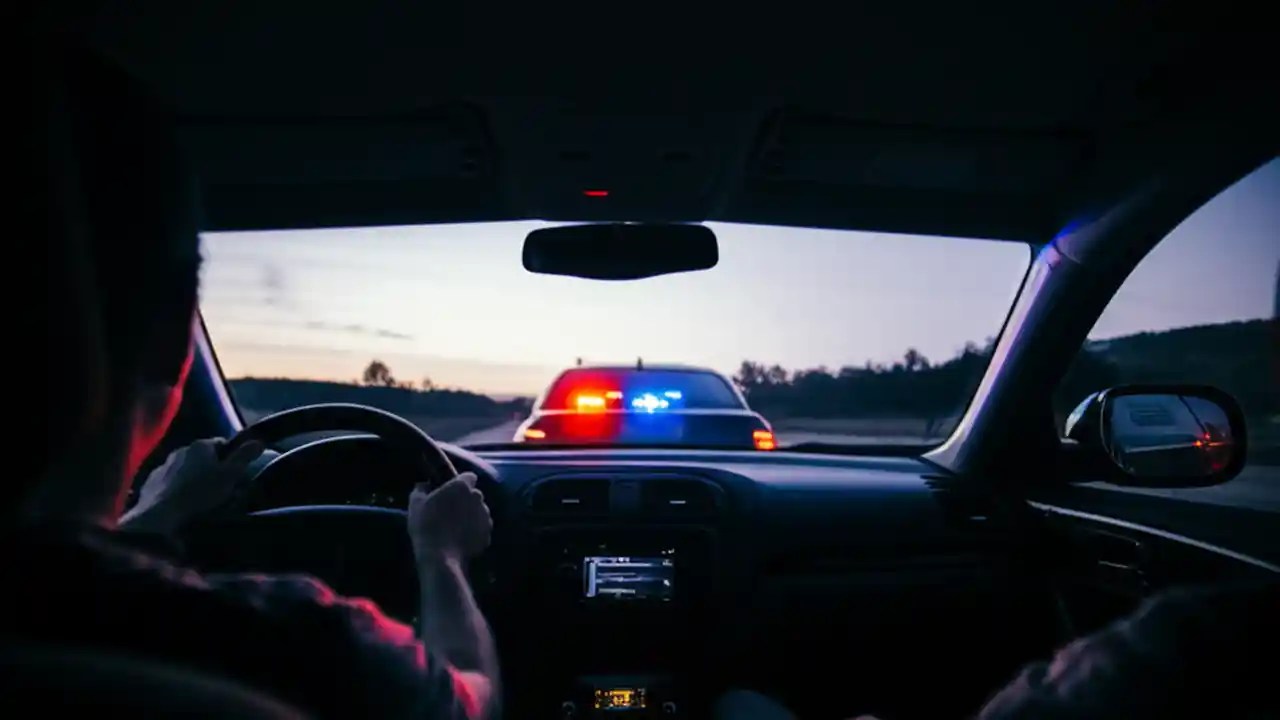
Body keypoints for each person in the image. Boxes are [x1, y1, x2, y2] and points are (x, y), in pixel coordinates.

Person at [13, 39, 497, 719]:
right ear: (172, 341)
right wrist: (440, 553)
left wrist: (159, 514)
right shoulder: (299, 651)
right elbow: (473, 696)